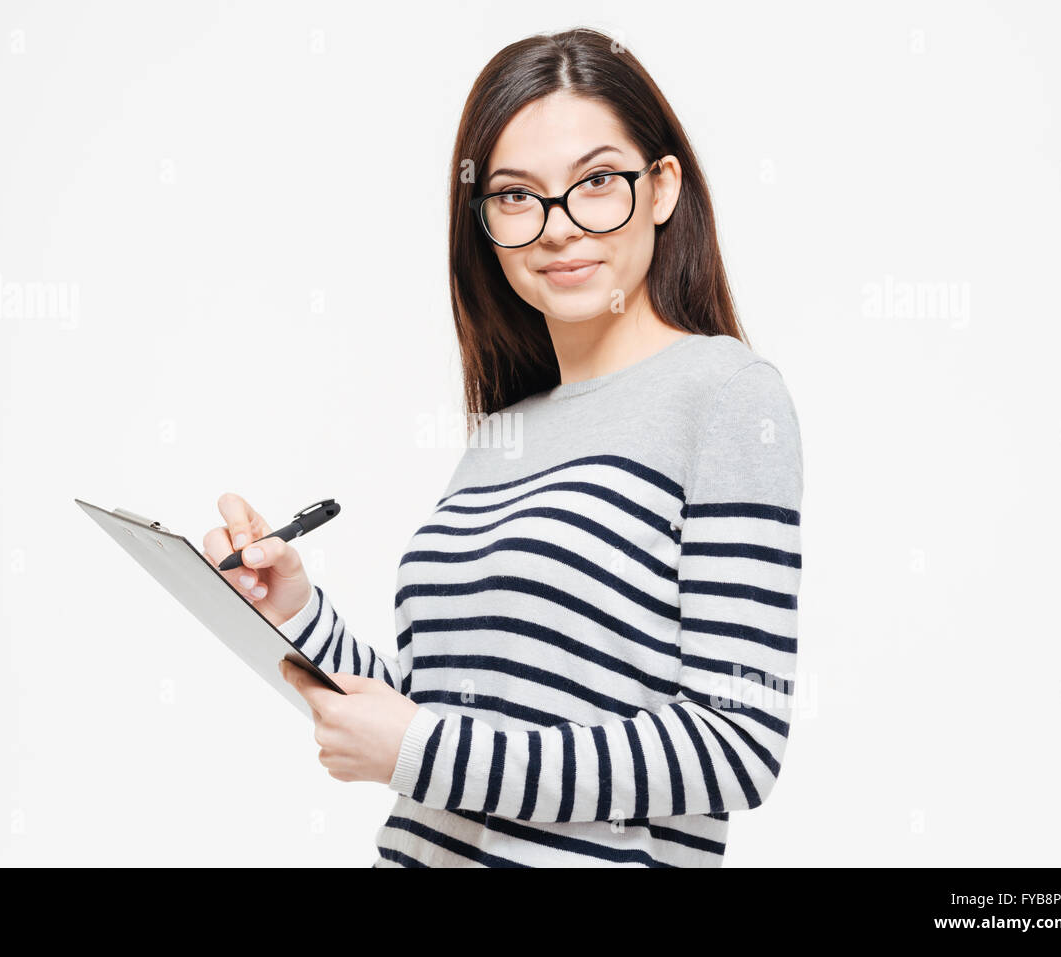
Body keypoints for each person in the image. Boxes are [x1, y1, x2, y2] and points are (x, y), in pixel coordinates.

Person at [202, 27, 803, 867]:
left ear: (662, 187)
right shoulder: (506, 432)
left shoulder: (726, 396)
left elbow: (735, 744)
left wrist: (422, 748)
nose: (558, 228)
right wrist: (297, 612)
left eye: (597, 182)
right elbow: (443, 715)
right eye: (518, 195)